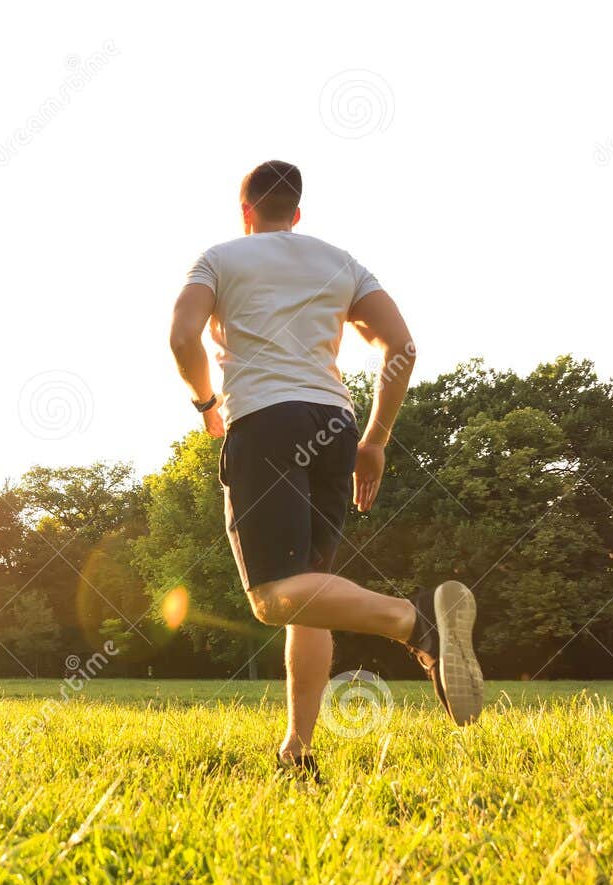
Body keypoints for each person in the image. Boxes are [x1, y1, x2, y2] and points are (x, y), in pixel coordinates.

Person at [168, 160, 484, 773]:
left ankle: (416, 623)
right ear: (298, 212)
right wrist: (375, 441)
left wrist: (207, 403)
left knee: (273, 597)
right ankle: (298, 749)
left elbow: (183, 336)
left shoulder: (220, 258)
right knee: (312, 592)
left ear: (246, 210)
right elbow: (402, 347)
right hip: (334, 427)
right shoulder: (341, 261)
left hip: (264, 423)